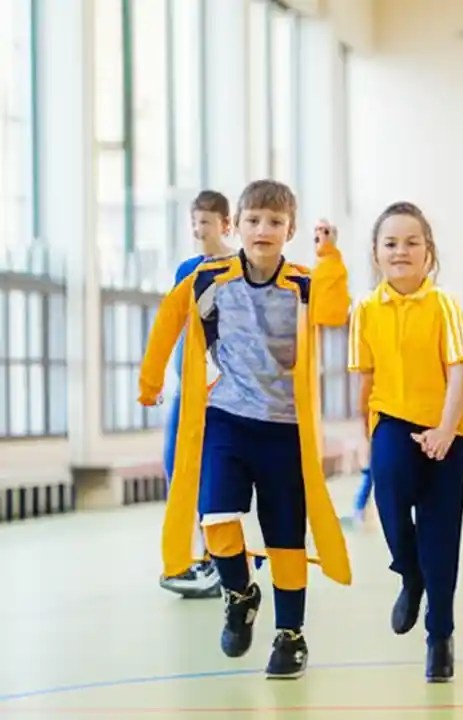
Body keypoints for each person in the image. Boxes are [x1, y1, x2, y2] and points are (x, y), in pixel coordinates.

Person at [138, 180, 352, 679]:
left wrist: (332, 258)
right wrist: (150, 382)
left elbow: (334, 310)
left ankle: (290, 636)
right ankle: (239, 592)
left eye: (275, 223)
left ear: (290, 231)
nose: (263, 230)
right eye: (253, 221)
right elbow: (168, 320)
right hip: (227, 419)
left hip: (285, 429)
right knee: (215, 519)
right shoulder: (209, 278)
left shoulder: (303, 282)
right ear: (235, 226)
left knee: (285, 538)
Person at [348, 201, 463, 681]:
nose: (401, 250)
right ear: (377, 253)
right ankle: (408, 573)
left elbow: (460, 371)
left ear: (429, 253)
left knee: (443, 540)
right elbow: (362, 382)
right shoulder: (364, 309)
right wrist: (364, 438)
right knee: (391, 502)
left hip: (446, 430)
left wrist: (446, 429)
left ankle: (439, 636)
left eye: (412, 242)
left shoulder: (445, 304)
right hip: (393, 426)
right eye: (391, 243)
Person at [158, 189, 234, 599]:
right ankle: (188, 559)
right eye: (194, 221)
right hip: (187, 389)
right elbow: (173, 325)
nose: (198, 229)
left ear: (225, 224)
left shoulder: (239, 270)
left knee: (216, 474)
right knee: (176, 466)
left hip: (223, 391)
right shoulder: (186, 269)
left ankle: (220, 556)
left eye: (205, 221)